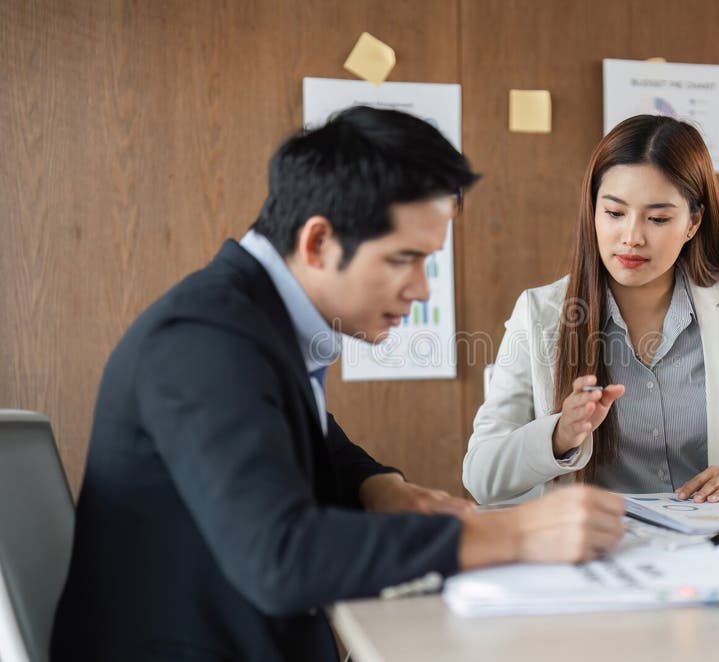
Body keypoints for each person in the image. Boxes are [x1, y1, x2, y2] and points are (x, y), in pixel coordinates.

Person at [51, 106, 625, 662]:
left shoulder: (254, 316)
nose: (422, 290)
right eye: (405, 259)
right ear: (318, 242)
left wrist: (379, 486)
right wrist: (514, 537)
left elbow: (311, 435)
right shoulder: (204, 341)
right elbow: (280, 558)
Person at [463, 114, 719, 505]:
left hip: (708, 544)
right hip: (597, 549)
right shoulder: (540, 313)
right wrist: (560, 434)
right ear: (593, 211)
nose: (631, 237)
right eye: (614, 213)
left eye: (658, 218)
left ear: (692, 222)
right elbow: (481, 475)